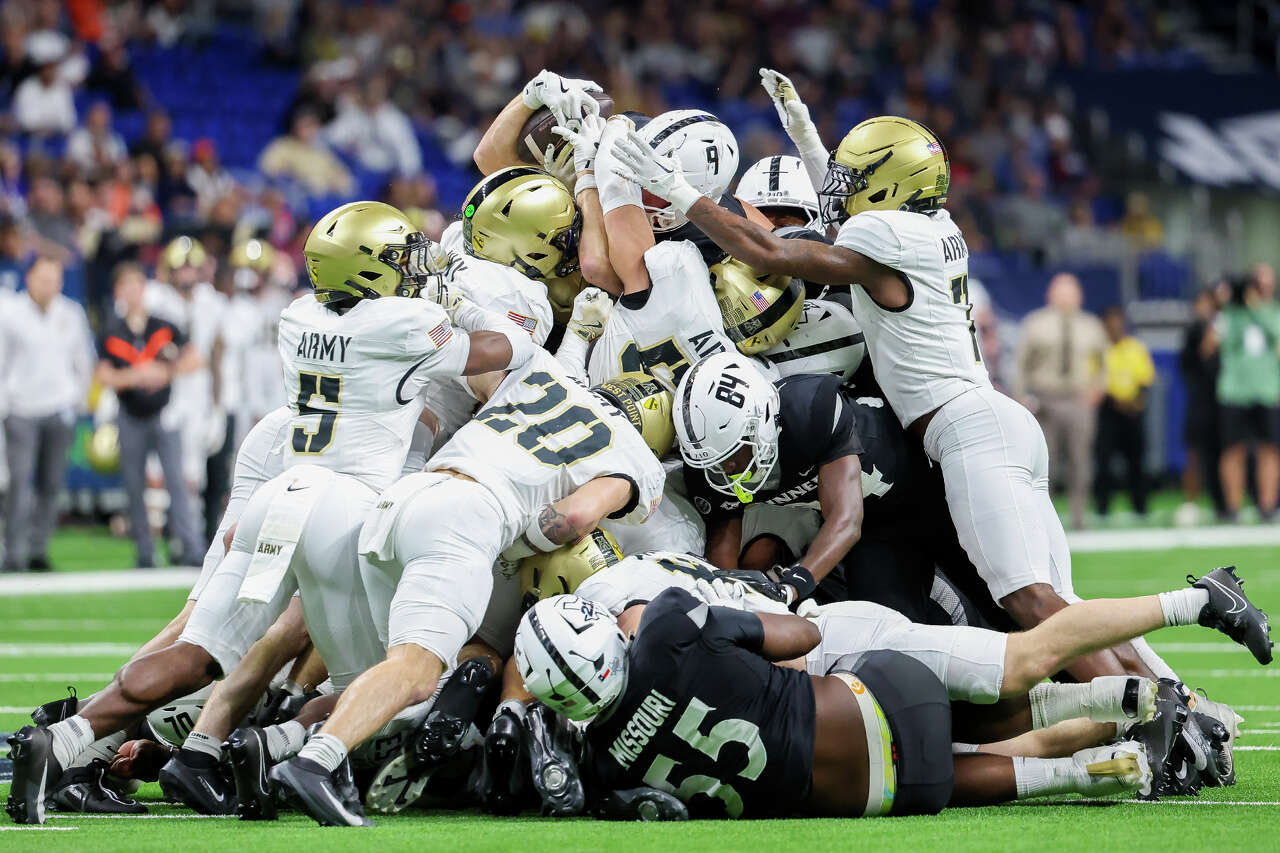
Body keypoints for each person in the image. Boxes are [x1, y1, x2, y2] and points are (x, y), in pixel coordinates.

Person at [608, 71, 1168, 688]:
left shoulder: (885, 237)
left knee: (1032, 603)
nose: (841, 187)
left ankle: (1143, 709)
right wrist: (805, 134)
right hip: (995, 421)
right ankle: (1178, 699)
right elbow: (850, 209)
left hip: (964, 431)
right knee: (1062, 602)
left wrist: (682, 195)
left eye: (855, 176)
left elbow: (773, 253)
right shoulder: (935, 227)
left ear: (888, 188)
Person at [94, 262, 205, 568]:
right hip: (130, 414)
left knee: (176, 482)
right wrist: (135, 376)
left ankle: (189, 545)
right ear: (118, 292)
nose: (132, 292)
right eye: (126, 286)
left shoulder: (163, 324)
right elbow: (103, 374)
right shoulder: (112, 330)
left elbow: (194, 358)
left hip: (163, 412)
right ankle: (144, 551)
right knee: (134, 485)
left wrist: (165, 371)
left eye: (137, 285)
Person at [0, 257, 94, 572]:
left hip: (59, 409)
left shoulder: (70, 313)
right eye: (42, 279)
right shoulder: (10, 313)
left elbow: (83, 360)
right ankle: (13, 552)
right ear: (29, 279)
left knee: (51, 484)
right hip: (21, 410)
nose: (48, 285)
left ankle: (38, 549)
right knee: (19, 483)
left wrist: (76, 401)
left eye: (54, 279)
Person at [1014, 273, 1107, 530]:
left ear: (1079, 295)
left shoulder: (1091, 325)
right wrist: (1020, 396)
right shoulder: (1036, 323)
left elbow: (1104, 363)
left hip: (1078, 398)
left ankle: (1079, 516)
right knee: (1045, 461)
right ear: (1050, 294)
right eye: (1061, 291)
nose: (1066, 297)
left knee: (1081, 459)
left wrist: (1097, 390)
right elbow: (1022, 363)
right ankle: (1044, 517)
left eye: (1071, 291)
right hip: (1045, 398)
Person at [1208, 270, 1280, 520]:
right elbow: (1209, 346)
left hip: (1267, 390)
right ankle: (1233, 507)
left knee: (1269, 450)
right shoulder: (1230, 315)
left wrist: (1257, 308)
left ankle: (1267, 506)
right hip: (1234, 391)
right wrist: (1222, 306)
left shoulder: (1273, 313)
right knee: (1232, 450)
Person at [1094, 306, 1155, 517]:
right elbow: (1093, 379)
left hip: (1133, 411)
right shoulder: (1099, 350)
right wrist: (1114, 400)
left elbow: (1145, 378)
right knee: (1104, 460)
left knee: (1137, 460)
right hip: (1108, 409)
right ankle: (1102, 507)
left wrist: (1136, 400)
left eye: (1119, 322)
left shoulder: (1136, 347)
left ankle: (1140, 506)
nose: (1115, 327)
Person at [1178, 287, 1226, 522]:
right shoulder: (1193, 331)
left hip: (1224, 402)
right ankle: (1191, 502)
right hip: (1199, 401)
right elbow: (1188, 364)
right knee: (1194, 453)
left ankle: (1224, 503)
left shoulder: (1227, 329)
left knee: (1224, 453)